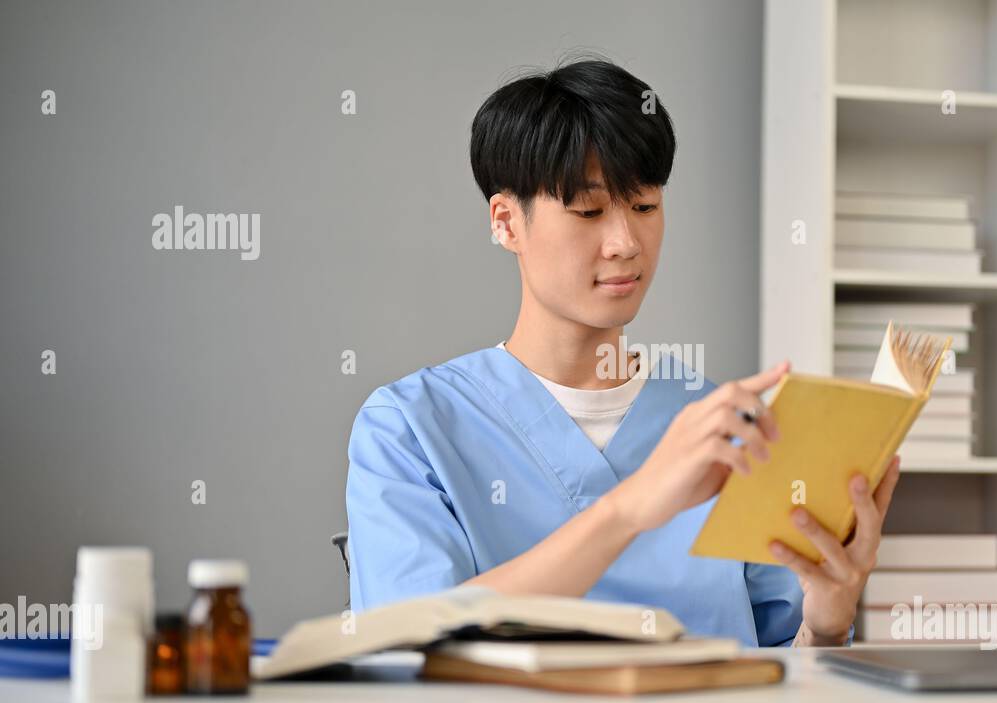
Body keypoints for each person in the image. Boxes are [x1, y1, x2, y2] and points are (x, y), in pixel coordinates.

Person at [344, 58, 900, 647]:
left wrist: (828, 619)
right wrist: (630, 507)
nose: (625, 243)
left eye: (645, 206)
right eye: (588, 211)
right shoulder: (410, 429)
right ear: (507, 222)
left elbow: (784, 669)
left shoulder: (724, 426)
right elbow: (405, 647)